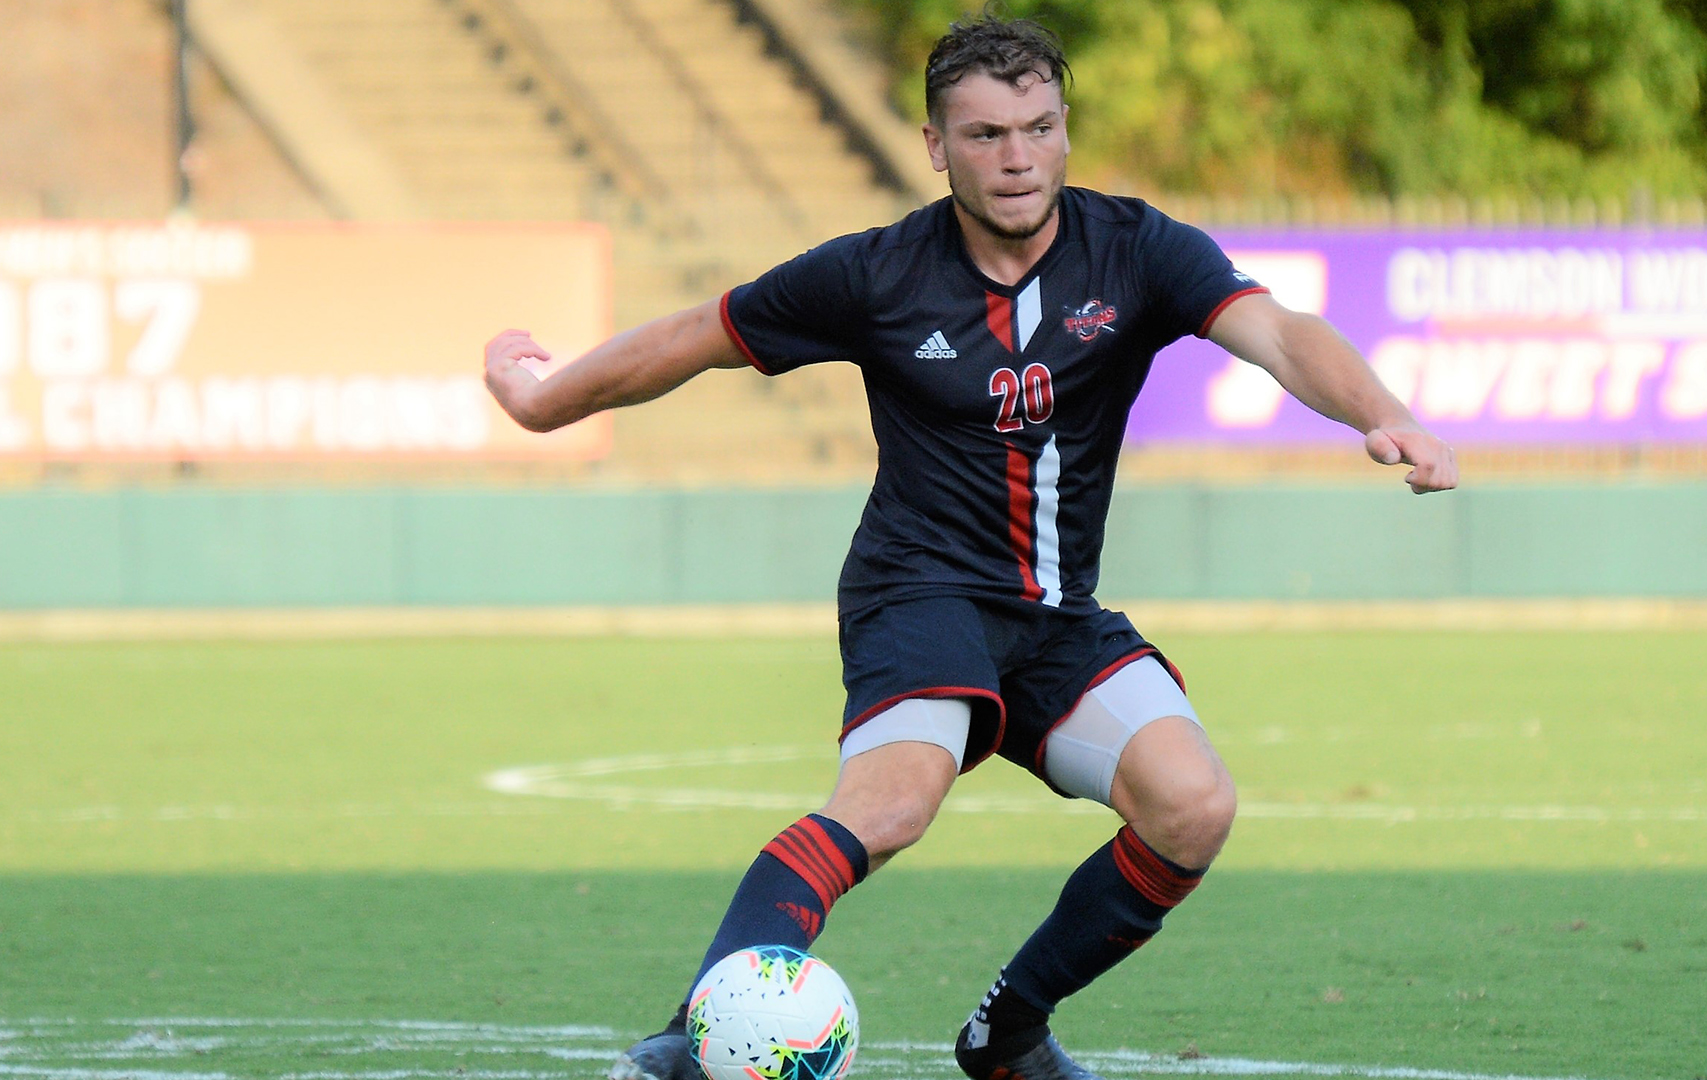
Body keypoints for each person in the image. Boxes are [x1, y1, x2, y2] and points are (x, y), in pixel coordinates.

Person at [484, 14, 1456, 1080]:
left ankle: (1009, 1034)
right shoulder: (876, 274)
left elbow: (1277, 331)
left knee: (1193, 804)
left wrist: (1382, 410)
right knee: (894, 801)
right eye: (986, 134)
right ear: (937, 145)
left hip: (1057, 614)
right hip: (919, 594)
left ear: (1066, 129)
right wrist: (542, 404)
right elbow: (692, 339)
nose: (1017, 157)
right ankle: (689, 1035)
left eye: (1037, 128)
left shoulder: (1136, 249)